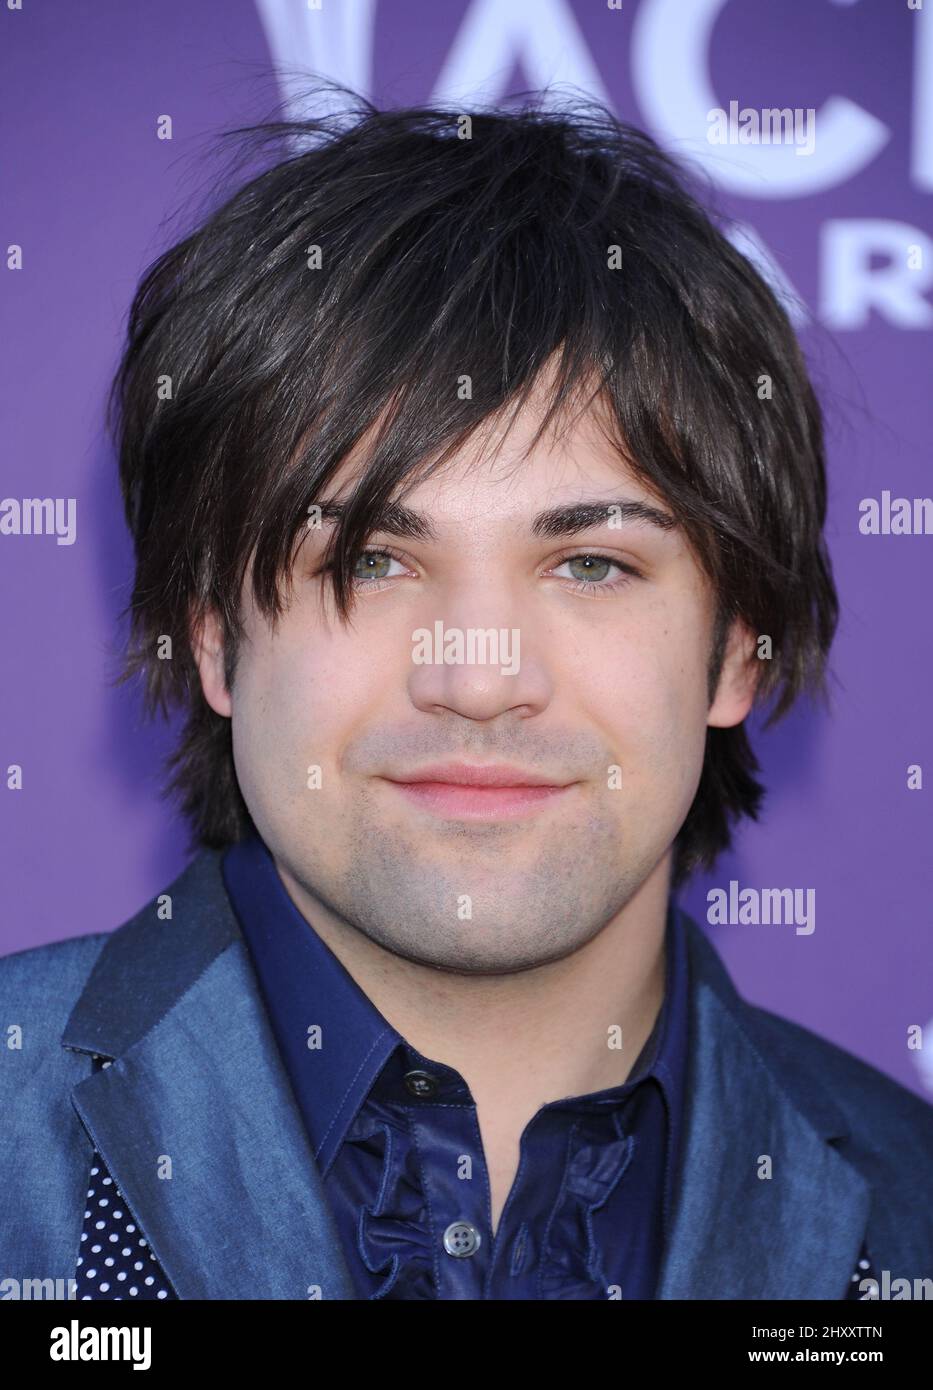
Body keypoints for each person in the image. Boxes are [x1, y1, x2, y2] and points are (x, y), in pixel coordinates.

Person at [2, 85, 931, 1303]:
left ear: (740, 649)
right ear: (215, 636)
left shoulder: (910, 1212)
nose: (481, 677)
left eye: (592, 562)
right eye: (371, 560)